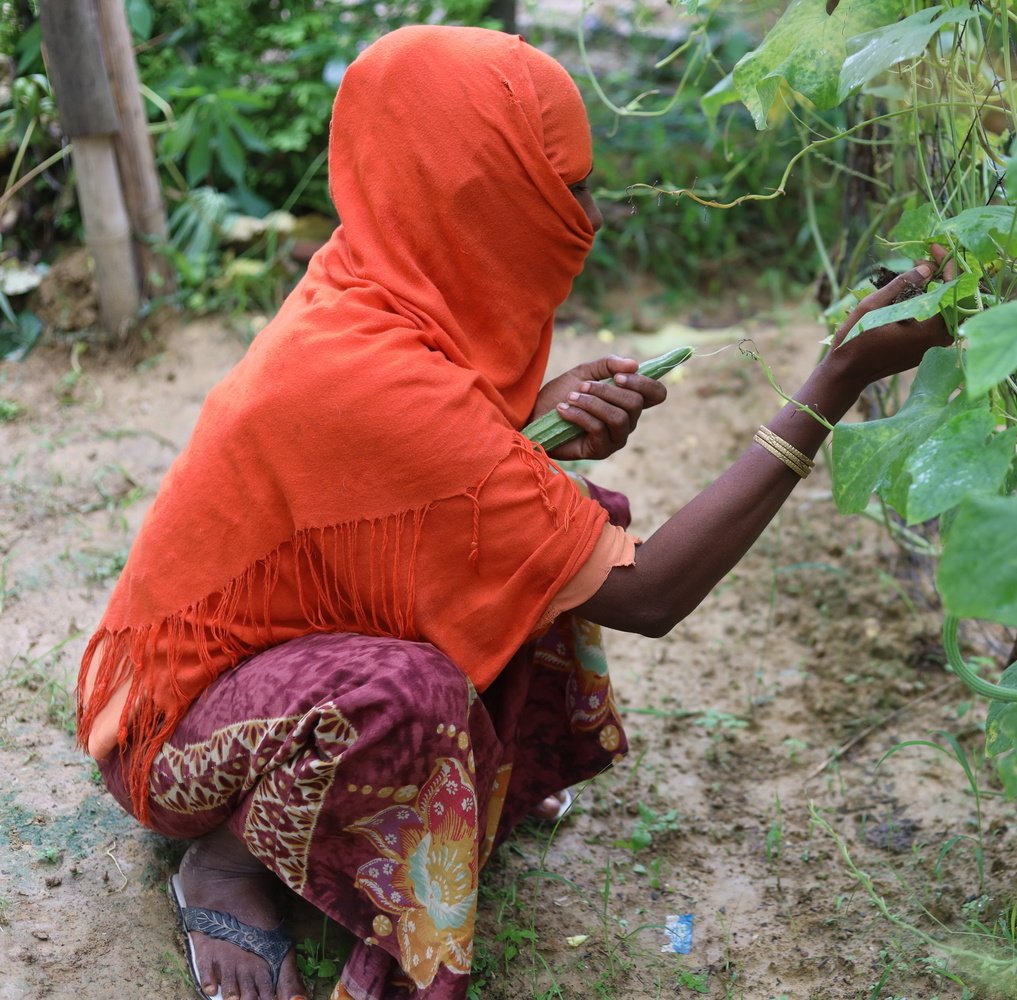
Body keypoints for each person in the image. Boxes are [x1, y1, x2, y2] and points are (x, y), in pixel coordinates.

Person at [75, 25, 952, 1000]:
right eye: (568, 189)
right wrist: (836, 377)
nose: (593, 217)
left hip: (254, 664)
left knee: (553, 532)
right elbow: (651, 592)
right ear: (475, 196)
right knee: (409, 692)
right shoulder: (379, 381)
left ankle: (457, 784)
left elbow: (419, 466)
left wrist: (527, 419)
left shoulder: (376, 278)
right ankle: (227, 861)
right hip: (167, 734)